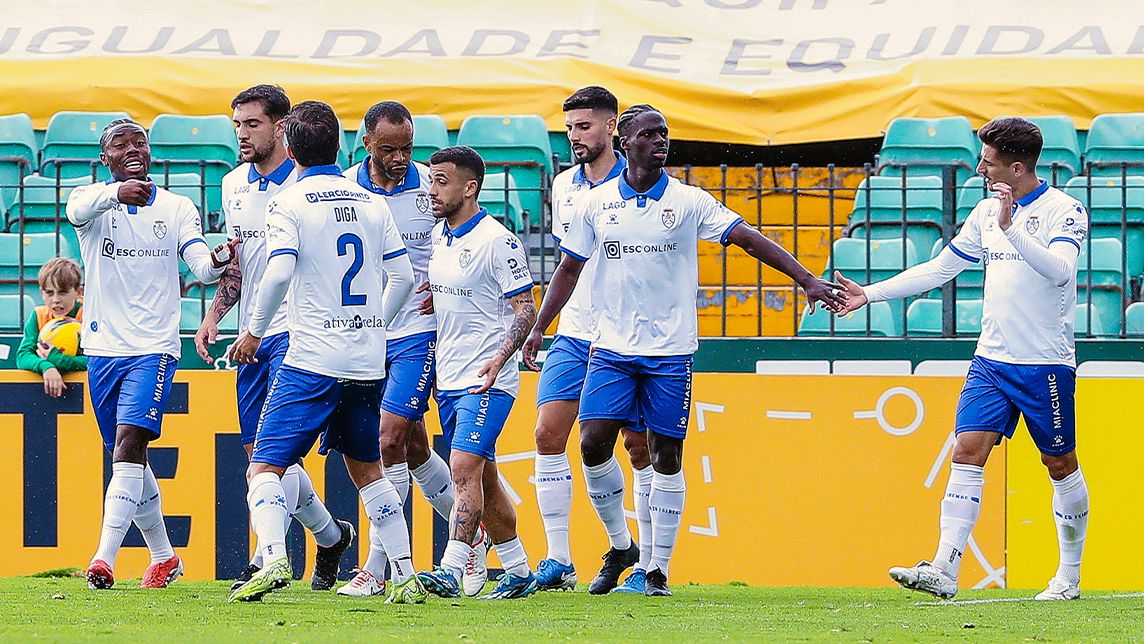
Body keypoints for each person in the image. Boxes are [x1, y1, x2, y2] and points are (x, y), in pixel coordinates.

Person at [523, 105, 845, 597]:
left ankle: (656, 572)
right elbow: (568, 268)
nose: (661, 141)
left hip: (670, 351)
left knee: (663, 453)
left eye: (665, 134)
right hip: (610, 347)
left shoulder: (689, 201)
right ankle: (620, 544)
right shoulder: (595, 203)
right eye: (650, 135)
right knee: (591, 442)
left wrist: (806, 280)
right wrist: (539, 327)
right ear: (626, 143)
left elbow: (748, 240)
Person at [834, 117, 1091, 601]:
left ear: (1016, 168)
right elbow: (942, 268)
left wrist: (1011, 229)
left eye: (988, 161)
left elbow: (1059, 271)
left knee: (1059, 464)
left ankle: (1068, 577)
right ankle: (945, 568)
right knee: (966, 451)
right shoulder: (982, 213)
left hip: (1045, 365)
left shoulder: (1065, 210)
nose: (979, 168)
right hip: (991, 361)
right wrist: (868, 294)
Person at [226, 101, 425, 604]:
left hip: (312, 357)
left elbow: (278, 272)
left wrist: (251, 331)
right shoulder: (370, 202)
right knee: (368, 470)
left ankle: (272, 558)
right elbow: (402, 276)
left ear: (290, 150)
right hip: (365, 357)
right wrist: (375, 325)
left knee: (264, 466)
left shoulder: (288, 203)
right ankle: (403, 574)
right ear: (343, 146)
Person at [195, 84, 353, 592]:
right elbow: (240, 263)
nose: (241, 133)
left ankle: (270, 560)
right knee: (259, 457)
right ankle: (329, 537)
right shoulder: (232, 184)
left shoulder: (317, 186)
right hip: (251, 334)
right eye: (237, 123)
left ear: (282, 127)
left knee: (274, 454)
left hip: (301, 332)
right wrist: (216, 314)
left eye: (252, 124)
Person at [66, 119, 236, 589]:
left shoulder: (178, 206)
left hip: (155, 348)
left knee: (127, 447)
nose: (133, 149)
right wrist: (115, 195)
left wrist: (219, 260)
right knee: (130, 462)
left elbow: (199, 265)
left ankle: (103, 559)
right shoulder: (95, 205)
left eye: (139, 142)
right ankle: (164, 556)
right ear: (107, 160)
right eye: (120, 145)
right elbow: (74, 206)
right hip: (102, 348)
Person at [341, 101, 486, 597]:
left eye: (406, 148)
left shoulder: (432, 186)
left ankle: (377, 567)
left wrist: (442, 286)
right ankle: (473, 537)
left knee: (385, 441)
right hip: (363, 333)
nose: (401, 158)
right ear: (366, 144)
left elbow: (464, 240)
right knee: (415, 446)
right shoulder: (345, 188)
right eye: (389, 150)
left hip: (416, 333)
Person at [531, 86, 652, 595]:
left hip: (630, 333)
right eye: (569, 128)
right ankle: (564, 556)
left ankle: (648, 561)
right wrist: (543, 323)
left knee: (638, 446)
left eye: (584, 127)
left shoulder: (642, 182)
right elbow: (569, 263)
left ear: (612, 127)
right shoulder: (564, 185)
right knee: (546, 435)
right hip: (577, 331)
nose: (575, 137)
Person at [414, 146, 539, 600]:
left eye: (441, 181)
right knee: (483, 478)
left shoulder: (498, 241)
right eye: (431, 179)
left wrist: (500, 358)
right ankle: (519, 569)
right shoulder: (439, 237)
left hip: (487, 379)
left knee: (463, 466)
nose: (432, 189)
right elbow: (462, 292)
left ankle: (451, 567)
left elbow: (526, 308)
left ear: (470, 188)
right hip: (448, 376)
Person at [16, 257, 86, 398]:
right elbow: (23, 356)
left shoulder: (89, 315)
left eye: (62, 292)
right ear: (41, 293)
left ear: (78, 292)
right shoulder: (39, 316)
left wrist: (58, 360)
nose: (55, 300)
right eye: (49, 293)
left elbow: (97, 360)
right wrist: (46, 367)